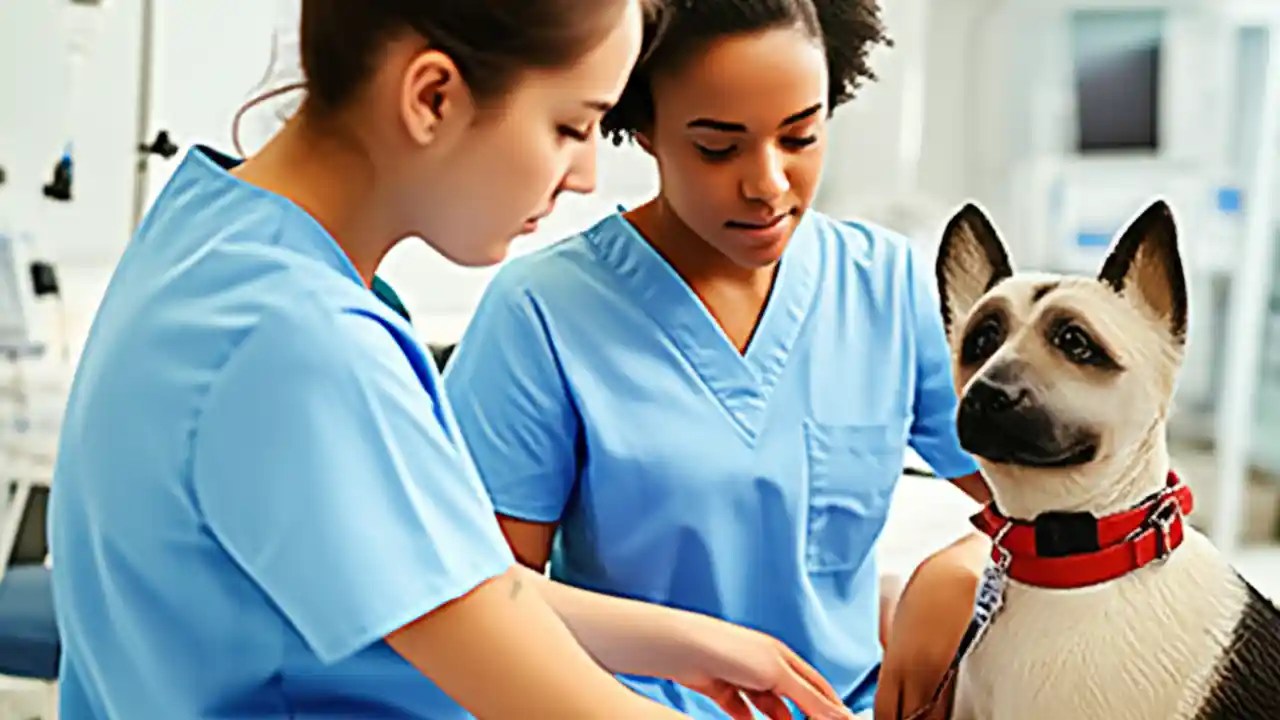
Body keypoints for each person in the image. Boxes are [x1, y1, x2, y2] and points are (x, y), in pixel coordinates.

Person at [45, 2, 857, 719]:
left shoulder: (218, 239)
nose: (585, 177)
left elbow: (442, 584)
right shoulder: (300, 344)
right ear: (431, 97)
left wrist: (685, 641)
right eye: (571, 127)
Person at [443, 1, 993, 718]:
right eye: (717, 148)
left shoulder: (886, 284)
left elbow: (1056, 506)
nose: (767, 184)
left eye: (800, 136)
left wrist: (963, 568)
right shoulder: (540, 312)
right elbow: (482, 609)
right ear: (643, 127)